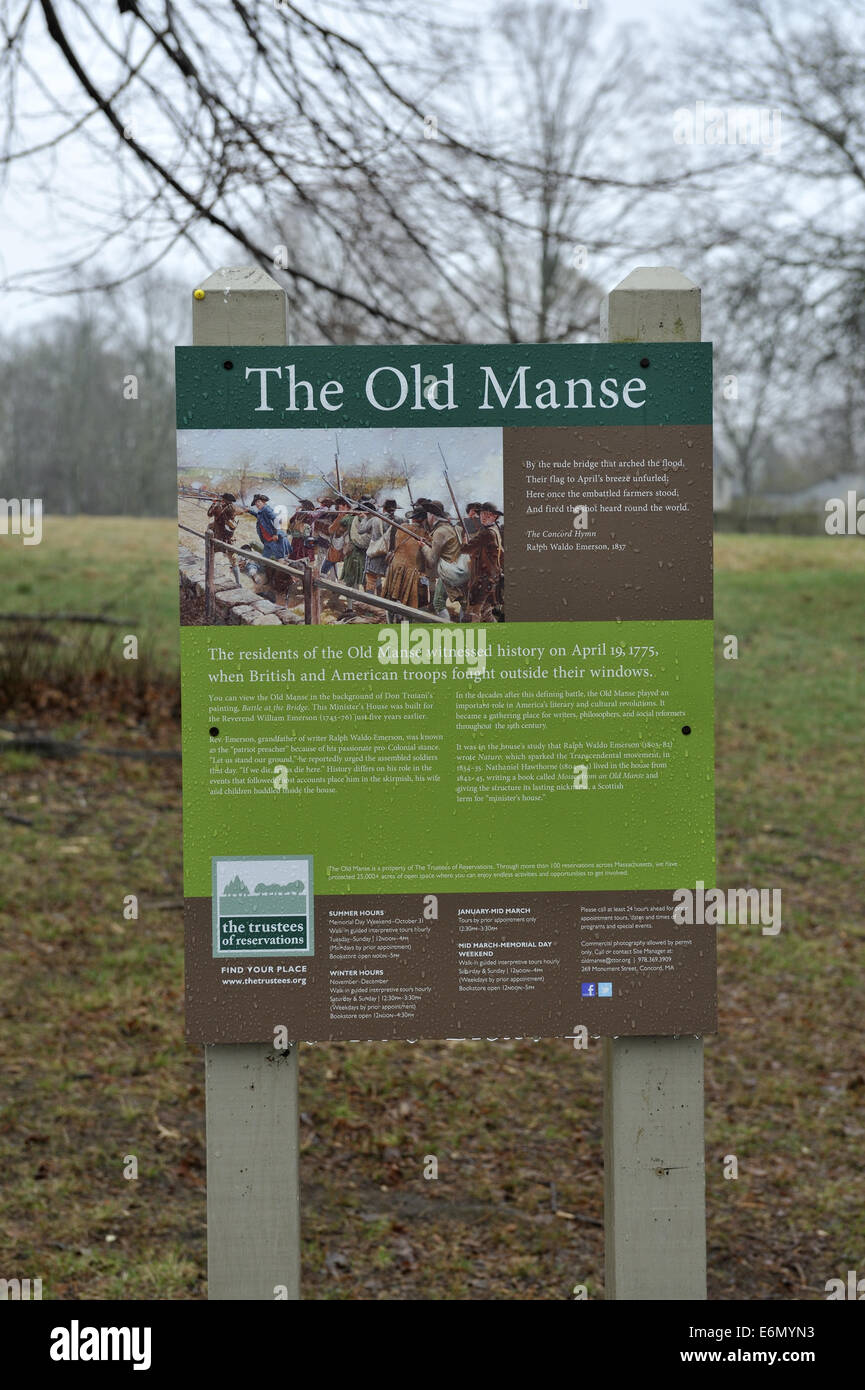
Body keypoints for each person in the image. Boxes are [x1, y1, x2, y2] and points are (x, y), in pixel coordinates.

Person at [423, 500, 470, 621]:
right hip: (462, 570)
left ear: (432, 516)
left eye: (428, 515)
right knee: (464, 604)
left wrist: (423, 547)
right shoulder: (457, 528)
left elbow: (432, 561)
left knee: (438, 603)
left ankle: (449, 629)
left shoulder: (440, 532)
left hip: (450, 574)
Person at [460, 503, 504, 622]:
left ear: (495, 517)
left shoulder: (487, 533)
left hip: (483, 580)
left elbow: (465, 549)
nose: (484, 517)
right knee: (486, 613)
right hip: (491, 579)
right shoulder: (493, 530)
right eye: (483, 514)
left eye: (488, 515)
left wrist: (463, 540)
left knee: (473, 614)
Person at [381, 504, 426, 611]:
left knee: (392, 597)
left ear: (413, 518)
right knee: (408, 602)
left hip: (395, 565)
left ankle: (392, 620)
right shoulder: (424, 533)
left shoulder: (403, 527)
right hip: (411, 569)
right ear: (423, 520)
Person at [363, 498, 398, 595]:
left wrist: (365, 517)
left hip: (375, 553)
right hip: (391, 556)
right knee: (390, 583)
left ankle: (370, 605)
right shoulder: (401, 520)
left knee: (371, 581)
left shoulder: (374, 519)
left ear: (384, 509)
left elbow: (361, 530)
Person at [206, 492, 241, 584]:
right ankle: (210, 577)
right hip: (218, 536)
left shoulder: (230, 508)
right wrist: (214, 503)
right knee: (211, 555)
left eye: (223, 499)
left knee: (233, 560)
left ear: (227, 501)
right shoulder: (219, 506)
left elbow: (229, 520)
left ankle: (238, 582)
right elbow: (209, 514)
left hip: (227, 537)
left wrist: (218, 505)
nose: (221, 500)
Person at [341, 496, 375, 590]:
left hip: (364, 553)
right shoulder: (373, 520)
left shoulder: (372, 520)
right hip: (356, 552)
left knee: (363, 580)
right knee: (354, 580)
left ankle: (360, 602)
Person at [247, 494, 291, 559]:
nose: (257, 504)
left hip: (273, 539)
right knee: (265, 558)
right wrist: (249, 511)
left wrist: (275, 534)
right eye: (256, 502)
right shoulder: (261, 511)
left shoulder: (266, 509)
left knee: (280, 558)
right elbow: (258, 516)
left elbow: (276, 520)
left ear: (264, 502)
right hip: (267, 540)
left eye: (259, 501)